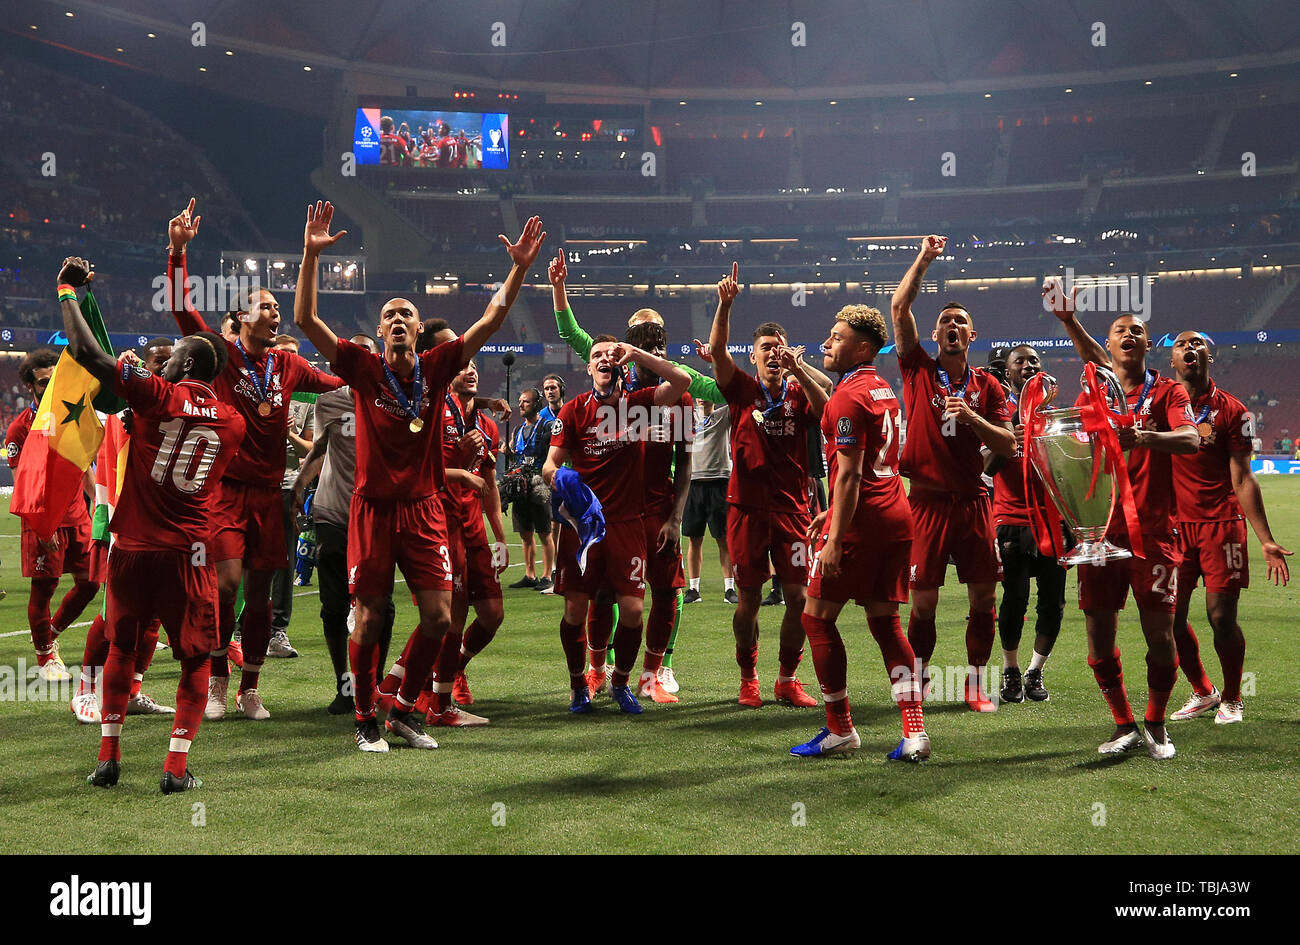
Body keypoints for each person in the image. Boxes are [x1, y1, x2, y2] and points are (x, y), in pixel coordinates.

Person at [294, 200, 544, 751]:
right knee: (368, 614)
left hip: (426, 507)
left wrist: (520, 268)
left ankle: (402, 710)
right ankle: (363, 718)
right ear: (379, 330)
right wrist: (310, 256)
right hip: (374, 509)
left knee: (437, 616)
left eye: (408, 313)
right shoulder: (360, 369)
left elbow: (490, 320)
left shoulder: (437, 368)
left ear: (416, 330)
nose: (401, 320)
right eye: (391, 315)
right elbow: (306, 320)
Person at [57, 256, 244, 795]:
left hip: (134, 550)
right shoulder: (231, 421)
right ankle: (176, 768)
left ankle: (109, 759)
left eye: (173, 357)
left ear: (185, 368)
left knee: (121, 649)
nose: (162, 362)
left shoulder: (157, 395)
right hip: (191, 555)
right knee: (192, 662)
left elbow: (90, 354)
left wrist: (69, 291)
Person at [166, 198, 344, 723]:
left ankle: (250, 689)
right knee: (225, 584)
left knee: (262, 596)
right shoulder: (219, 356)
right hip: (225, 491)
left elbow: (340, 380)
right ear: (241, 317)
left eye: (275, 306)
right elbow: (182, 312)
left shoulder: (288, 364)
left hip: (271, 495)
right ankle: (218, 678)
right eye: (263, 306)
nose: (272, 312)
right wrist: (178, 253)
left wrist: (385, 368)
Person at [1049, 277, 1199, 758]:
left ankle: (1156, 721)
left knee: (1159, 634)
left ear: (1148, 343)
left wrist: (1146, 439)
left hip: (1153, 532)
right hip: (1100, 532)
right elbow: (1095, 364)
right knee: (1098, 637)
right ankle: (1123, 723)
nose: (1129, 336)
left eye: (1137, 331)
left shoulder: (1168, 392)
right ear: (1109, 344)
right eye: (1120, 331)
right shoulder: (1099, 390)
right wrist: (1070, 320)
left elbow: (1192, 440)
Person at [792, 305, 930, 761]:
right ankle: (914, 733)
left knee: (815, 617)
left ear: (864, 348)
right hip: (895, 516)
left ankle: (840, 729)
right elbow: (868, 467)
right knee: (886, 623)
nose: (826, 344)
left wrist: (834, 536)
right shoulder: (879, 386)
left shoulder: (847, 398)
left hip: (862, 525)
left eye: (836, 337)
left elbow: (851, 476)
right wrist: (830, 511)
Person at [890, 235, 1016, 712]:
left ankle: (974, 683)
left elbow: (1008, 443)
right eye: (945, 321)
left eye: (960, 322)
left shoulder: (987, 385)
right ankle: (920, 679)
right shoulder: (916, 367)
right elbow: (900, 307)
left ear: (972, 336)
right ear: (934, 334)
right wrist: (925, 257)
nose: (952, 326)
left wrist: (973, 420)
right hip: (923, 503)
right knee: (922, 603)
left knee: (983, 599)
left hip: (973, 502)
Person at [542, 335, 691, 714]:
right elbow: (549, 465)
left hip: (626, 524)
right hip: (582, 527)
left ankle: (621, 683)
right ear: (588, 368)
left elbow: (682, 382)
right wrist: (564, 480)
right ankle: (579, 687)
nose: (604, 359)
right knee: (576, 610)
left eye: (611, 354)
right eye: (596, 356)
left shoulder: (638, 405)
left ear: (621, 364)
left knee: (633, 611)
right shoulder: (573, 411)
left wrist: (638, 353)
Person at [709, 262, 827, 709]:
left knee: (799, 598)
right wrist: (725, 304)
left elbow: (830, 407)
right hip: (747, 509)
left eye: (779, 348)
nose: (773, 355)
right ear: (754, 357)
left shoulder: (801, 391)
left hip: (794, 510)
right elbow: (718, 350)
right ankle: (748, 676)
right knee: (749, 600)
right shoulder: (740, 389)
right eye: (765, 349)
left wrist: (804, 369)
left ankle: (786, 678)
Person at [1165, 331, 1291, 725]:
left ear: (1210, 357)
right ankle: (1203, 691)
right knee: (1169, 619)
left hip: (1221, 526)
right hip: (1173, 528)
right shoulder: (1163, 404)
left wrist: (1266, 539)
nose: (1191, 348)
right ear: (1172, 360)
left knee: (1221, 617)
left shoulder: (1233, 411)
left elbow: (1243, 477)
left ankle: (1233, 697)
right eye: (1183, 344)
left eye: (1199, 343)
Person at [71, 337, 180, 724]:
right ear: (143, 365)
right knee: (112, 614)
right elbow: (110, 473)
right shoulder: (125, 410)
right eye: (158, 362)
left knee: (153, 616)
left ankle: (132, 690)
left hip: (167, 527)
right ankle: (84, 691)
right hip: (125, 526)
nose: (164, 369)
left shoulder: (174, 405)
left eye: (171, 363)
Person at [291, 334, 396, 714]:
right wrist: (299, 488)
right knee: (334, 607)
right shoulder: (329, 402)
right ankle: (346, 686)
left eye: (366, 353)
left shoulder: (394, 399)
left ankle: (373, 683)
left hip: (377, 516)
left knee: (379, 604)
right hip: (334, 513)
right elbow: (319, 451)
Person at [6, 347, 100, 681]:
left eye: (53, 380)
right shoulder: (21, 428)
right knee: (43, 590)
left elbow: (84, 468)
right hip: (45, 521)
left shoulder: (71, 413)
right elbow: (22, 486)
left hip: (78, 516)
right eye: (43, 383)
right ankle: (45, 657)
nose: (49, 388)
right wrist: (40, 527)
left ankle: (53, 633)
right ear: (30, 386)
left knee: (91, 583)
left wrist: (99, 503)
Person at [984, 345, 1066, 703]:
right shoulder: (1001, 415)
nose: (1029, 366)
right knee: (1015, 598)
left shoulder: (1056, 417)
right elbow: (986, 469)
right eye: (1022, 362)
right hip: (1011, 518)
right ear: (1010, 371)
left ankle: (1035, 671)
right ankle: (1010, 670)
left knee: (1053, 602)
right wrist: (1009, 439)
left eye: (1034, 361)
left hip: (1052, 520)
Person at [268, 333, 313, 659]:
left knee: (284, 560)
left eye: (294, 354)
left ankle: (277, 631)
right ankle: (238, 631)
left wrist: (289, 432)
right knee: (245, 561)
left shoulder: (308, 396)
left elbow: (310, 450)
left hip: (287, 485)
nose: (288, 359)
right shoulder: (253, 387)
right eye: (283, 353)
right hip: (252, 485)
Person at [682, 400, 735, 607]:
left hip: (720, 483)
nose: (702, 398)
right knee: (694, 539)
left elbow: (739, 397)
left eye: (707, 393)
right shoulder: (689, 417)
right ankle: (694, 588)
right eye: (699, 394)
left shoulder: (724, 415)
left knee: (724, 539)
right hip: (693, 484)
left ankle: (729, 588)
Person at [505, 388, 555, 590]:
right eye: (520, 401)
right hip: (520, 486)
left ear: (536, 404)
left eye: (525, 401)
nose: (521, 405)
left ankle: (547, 575)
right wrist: (506, 451)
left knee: (544, 532)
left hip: (539, 485)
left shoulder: (547, 426)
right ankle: (530, 574)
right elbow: (516, 456)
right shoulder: (517, 430)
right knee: (525, 533)